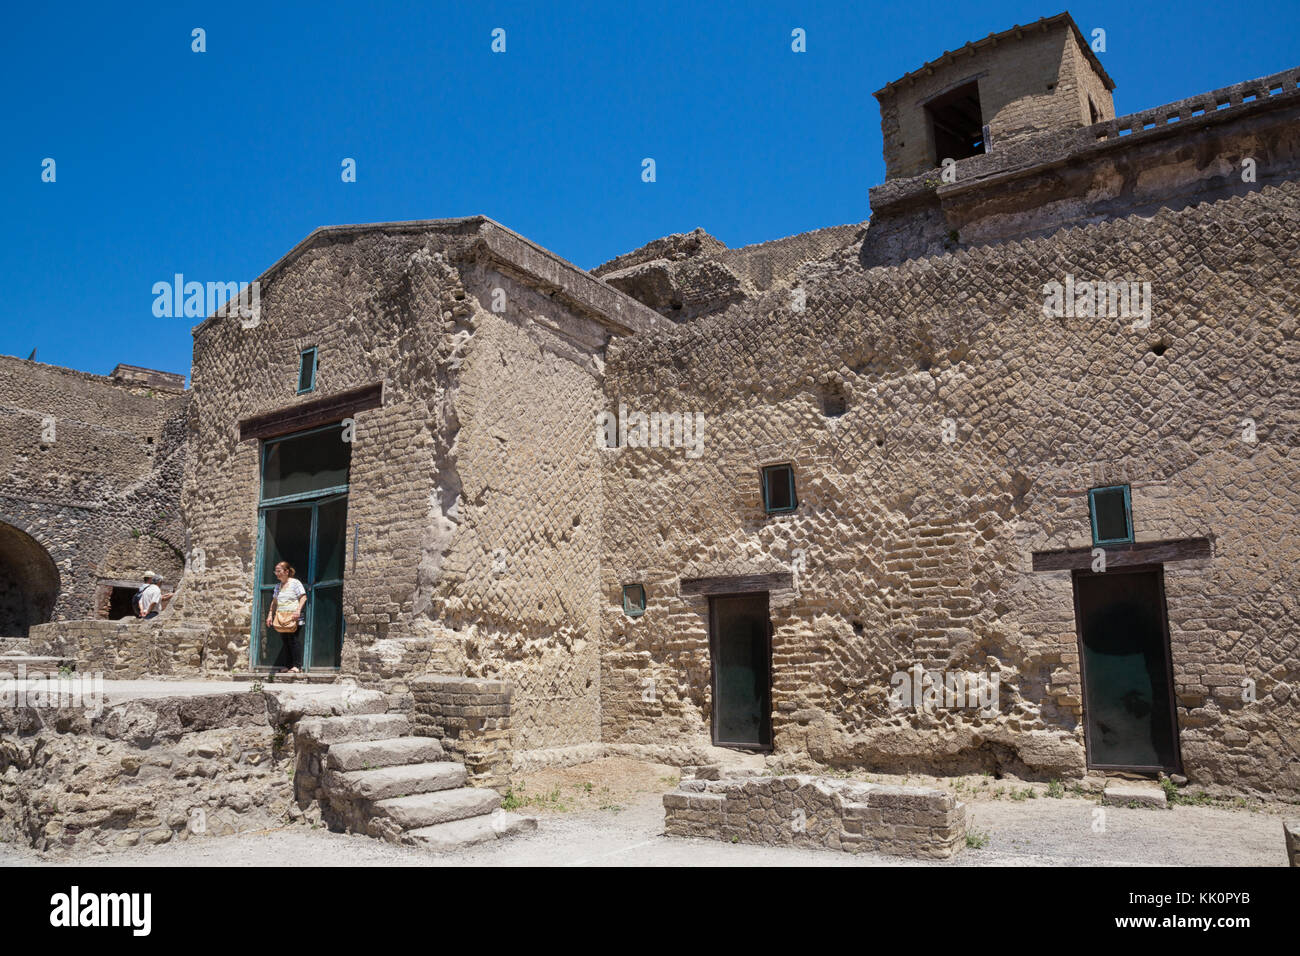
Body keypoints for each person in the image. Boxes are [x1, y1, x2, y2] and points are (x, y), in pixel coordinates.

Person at [266, 561, 307, 673]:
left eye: (279, 571)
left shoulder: (295, 583)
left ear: (286, 571)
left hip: (295, 616)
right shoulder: (278, 586)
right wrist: (270, 615)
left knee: (293, 640)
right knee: (285, 640)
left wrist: (298, 611)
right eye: (276, 571)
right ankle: (288, 666)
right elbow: (274, 602)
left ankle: (297, 666)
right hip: (281, 617)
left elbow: (303, 597)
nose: (276, 573)